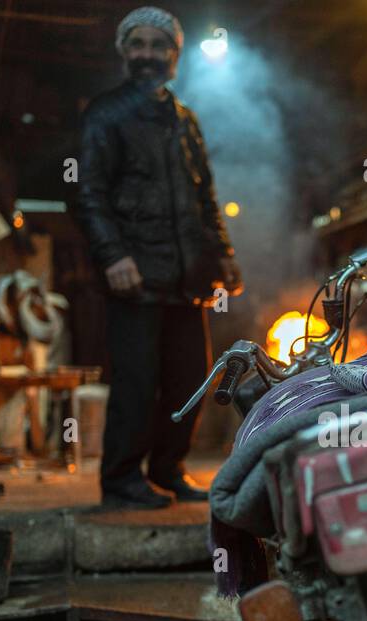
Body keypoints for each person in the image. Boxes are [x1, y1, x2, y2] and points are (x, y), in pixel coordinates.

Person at [73, 6, 242, 508]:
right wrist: (113, 255)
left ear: (174, 54)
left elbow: (205, 196)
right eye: (138, 44)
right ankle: (121, 480)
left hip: (187, 276)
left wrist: (225, 254)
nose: (148, 54)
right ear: (124, 52)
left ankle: (167, 470)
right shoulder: (105, 114)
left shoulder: (185, 120)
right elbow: (85, 191)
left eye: (158, 45)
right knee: (137, 380)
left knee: (191, 379)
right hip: (134, 275)